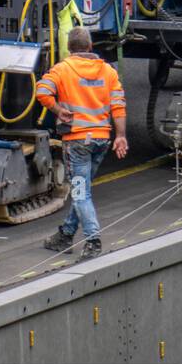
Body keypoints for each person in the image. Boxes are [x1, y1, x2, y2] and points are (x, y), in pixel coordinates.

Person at [35, 26, 128, 260]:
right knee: (83, 191)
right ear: (90, 47)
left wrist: (58, 109)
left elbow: (42, 91)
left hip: (77, 143)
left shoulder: (63, 69)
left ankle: (93, 240)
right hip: (101, 141)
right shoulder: (108, 71)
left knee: (80, 194)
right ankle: (65, 234)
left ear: (69, 48)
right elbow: (118, 105)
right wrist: (121, 136)